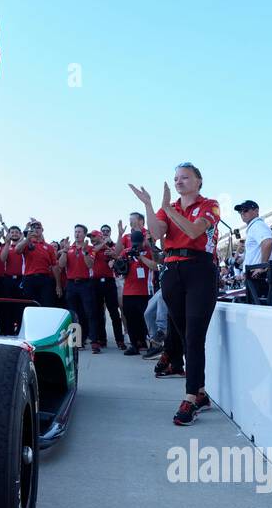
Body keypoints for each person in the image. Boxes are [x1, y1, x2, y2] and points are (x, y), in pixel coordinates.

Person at [131, 163, 220, 427]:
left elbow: (194, 231)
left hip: (200, 270)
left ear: (198, 181)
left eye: (184, 177)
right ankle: (200, 393)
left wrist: (169, 208)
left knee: (193, 335)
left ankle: (191, 397)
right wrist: (149, 205)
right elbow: (157, 235)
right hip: (172, 270)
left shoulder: (210, 205)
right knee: (184, 334)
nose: (179, 182)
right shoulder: (168, 207)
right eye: (176, 178)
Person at [118, 214, 157, 356]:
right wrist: (121, 263)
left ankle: (149, 344)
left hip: (145, 291)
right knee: (131, 319)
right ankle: (134, 344)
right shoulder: (127, 252)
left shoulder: (149, 251)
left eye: (138, 242)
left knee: (146, 319)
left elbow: (155, 266)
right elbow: (119, 269)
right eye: (134, 242)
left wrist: (141, 257)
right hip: (128, 291)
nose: (136, 245)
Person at [59, 225, 95, 351]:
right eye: (75, 232)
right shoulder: (69, 248)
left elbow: (90, 264)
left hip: (85, 283)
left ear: (85, 234)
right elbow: (61, 265)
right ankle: (75, 342)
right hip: (71, 284)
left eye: (79, 232)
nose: (77, 234)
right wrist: (64, 250)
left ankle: (94, 341)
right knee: (73, 313)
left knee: (88, 312)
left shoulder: (90, 248)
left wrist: (85, 251)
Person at [91, 225, 125, 351]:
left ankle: (120, 340)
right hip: (95, 282)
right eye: (91, 237)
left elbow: (118, 253)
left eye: (94, 237)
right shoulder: (91, 249)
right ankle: (102, 340)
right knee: (99, 312)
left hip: (109, 282)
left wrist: (118, 236)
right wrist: (102, 243)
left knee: (114, 312)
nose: (92, 239)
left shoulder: (109, 247)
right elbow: (92, 252)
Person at [234, 200, 272, 305]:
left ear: (256, 211)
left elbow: (267, 242)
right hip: (256, 275)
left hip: (259, 276)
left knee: (259, 311)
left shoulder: (257, 225)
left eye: (245, 210)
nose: (242, 213)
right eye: (240, 212)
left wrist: (261, 266)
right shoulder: (254, 226)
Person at [13, 219, 58, 308]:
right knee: (30, 305)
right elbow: (17, 250)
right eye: (33, 228)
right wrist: (27, 239)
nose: (36, 229)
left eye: (38, 227)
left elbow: (54, 266)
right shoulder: (27, 243)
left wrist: (58, 285)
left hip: (45, 279)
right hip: (29, 279)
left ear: (42, 230)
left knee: (46, 305)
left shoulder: (49, 247)